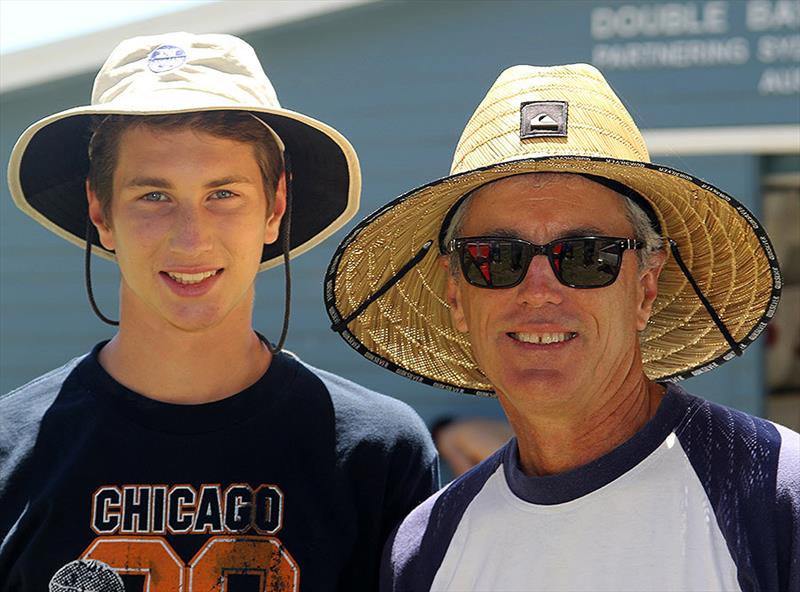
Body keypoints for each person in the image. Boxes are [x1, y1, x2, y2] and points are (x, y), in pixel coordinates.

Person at [325, 63, 798, 591]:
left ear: (645, 286)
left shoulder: (776, 497)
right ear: (457, 294)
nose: (539, 289)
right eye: (495, 257)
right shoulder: (427, 546)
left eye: (586, 256)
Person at [0, 32, 438, 591]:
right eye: (153, 196)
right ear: (100, 211)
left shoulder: (377, 453)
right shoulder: (11, 449)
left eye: (223, 194)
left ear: (275, 209)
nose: (191, 239)